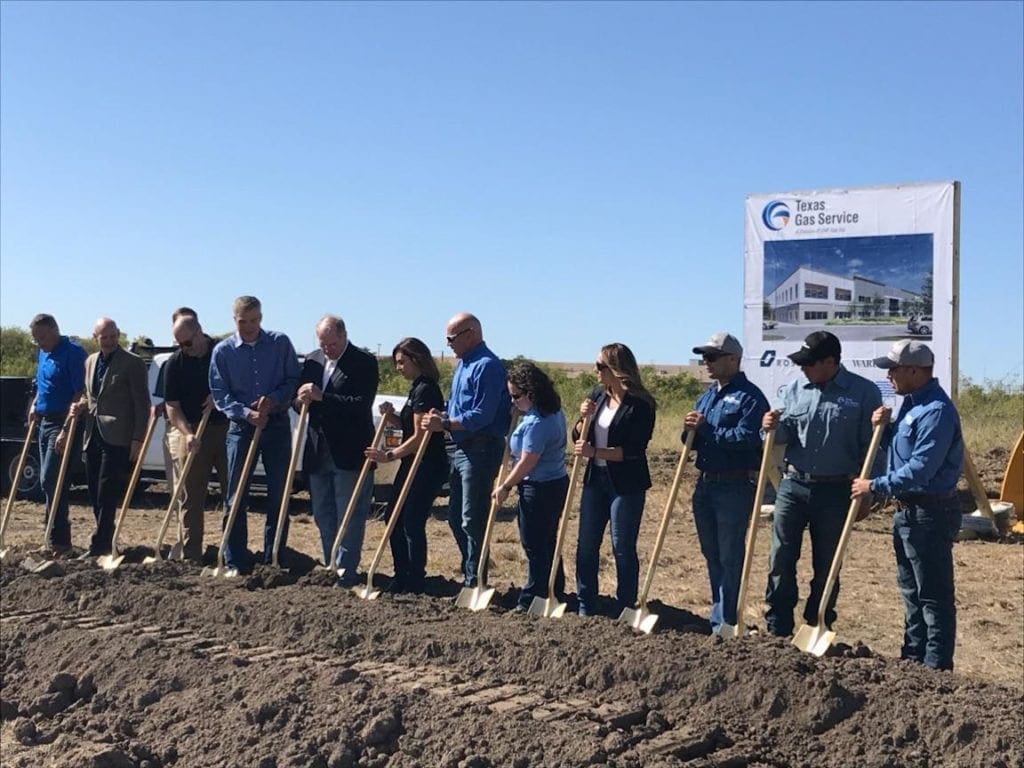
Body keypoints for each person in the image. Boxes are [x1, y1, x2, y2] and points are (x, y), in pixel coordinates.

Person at [851, 340, 964, 671]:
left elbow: (920, 471)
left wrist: (874, 486)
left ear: (915, 371)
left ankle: (935, 669)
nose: (888, 375)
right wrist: (883, 431)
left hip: (930, 512)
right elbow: (898, 454)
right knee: (911, 594)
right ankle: (912, 663)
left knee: (932, 597)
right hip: (908, 513)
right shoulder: (910, 406)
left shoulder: (936, 412)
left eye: (893, 369)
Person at [762, 330, 883, 637]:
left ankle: (818, 621)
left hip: (836, 490)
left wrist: (869, 490)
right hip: (793, 484)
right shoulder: (793, 389)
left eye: (810, 363)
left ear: (831, 362)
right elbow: (783, 434)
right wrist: (770, 429)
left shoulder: (863, 393)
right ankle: (778, 624)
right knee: (781, 557)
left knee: (828, 563)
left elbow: (871, 446)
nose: (804, 368)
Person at [684, 332, 769, 633]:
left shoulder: (750, 397)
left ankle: (728, 619)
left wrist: (707, 429)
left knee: (730, 553)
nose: (706, 362)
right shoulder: (707, 395)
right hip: (705, 483)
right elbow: (693, 439)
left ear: (733, 359)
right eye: (704, 357)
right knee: (711, 552)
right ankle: (718, 613)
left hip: (733, 485)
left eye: (712, 357)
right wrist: (690, 431)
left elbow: (747, 439)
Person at [209, 296, 300, 572]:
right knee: (235, 495)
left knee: (279, 494)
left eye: (254, 320)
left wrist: (272, 400)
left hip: (276, 426)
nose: (249, 327)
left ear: (261, 318)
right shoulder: (223, 351)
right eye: (243, 321)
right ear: (234, 319)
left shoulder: (280, 343)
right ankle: (236, 559)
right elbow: (219, 393)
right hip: (241, 429)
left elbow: (293, 379)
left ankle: (273, 558)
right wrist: (247, 413)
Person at [422, 313, 511, 588]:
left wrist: (446, 423)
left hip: (481, 448)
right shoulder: (463, 365)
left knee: (473, 517)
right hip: (460, 448)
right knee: (455, 516)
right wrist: (444, 413)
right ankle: (471, 568)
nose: (448, 344)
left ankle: (476, 579)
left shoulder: (487, 366)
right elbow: (460, 406)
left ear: (470, 334)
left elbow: (482, 415)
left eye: (451, 338)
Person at [573, 343, 656, 617]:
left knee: (621, 545)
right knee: (586, 544)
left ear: (618, 370)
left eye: (600, 367)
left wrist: (595, 452)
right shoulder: (597, 395)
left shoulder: (641, 405)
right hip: (595, 479)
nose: (595, 372)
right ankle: (586, 603)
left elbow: (633, 451)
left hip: (626, 484)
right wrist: (582, 419)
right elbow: (578, 437)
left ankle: (626, 605)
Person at [296, 315, 378, 583]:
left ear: (343, 336)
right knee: (323, 512)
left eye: (332, 344)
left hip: (350, 451)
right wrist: (301, 400)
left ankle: (346, 570)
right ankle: (330, 564)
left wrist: (323, 397)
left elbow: (360, 403)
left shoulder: (363, 362)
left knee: (350, 514)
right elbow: (299, 405)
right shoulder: (312, 360)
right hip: (318, 448)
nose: (327, 349)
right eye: (323, 344)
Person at [364, 338, 447, 593]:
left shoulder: (426, 390)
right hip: (413, 463)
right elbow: (410, 427)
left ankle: (414, 578)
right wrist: (392, 417)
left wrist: (389, 455)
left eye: (402, 362)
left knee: (410, 519)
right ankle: (402, 574)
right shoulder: (416, 389)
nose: (398, 367)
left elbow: (420, 438)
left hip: (426, 465)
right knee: (394, 517)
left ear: (416, 359)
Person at [492, 361, 569, 611]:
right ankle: (553, 589)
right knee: (548, 541)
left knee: (534, 543)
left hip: (539, 487)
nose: (513, 402)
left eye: (516, 396)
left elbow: (528, 462)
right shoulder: (552, 412)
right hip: (554, 483)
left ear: (530, 393)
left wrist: (505, 486)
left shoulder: (538, 423)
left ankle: (532, 597)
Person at [72, 317, 151, 557]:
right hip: (92, 433)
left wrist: (138, 439)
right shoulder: (90, 361)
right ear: (96, 338)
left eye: (112, 336)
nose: (108, 341)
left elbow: (142, 403)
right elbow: (90, 396)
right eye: (103, 337)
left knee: (108, 489)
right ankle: (106, 537)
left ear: (118, 335)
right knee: (95, 489)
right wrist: (81, 405)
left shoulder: (132, 363)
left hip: (118, 436)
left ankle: (100, 544)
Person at [162, 314, 229, 562]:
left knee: (231, 494)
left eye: (187, 343)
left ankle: (230, 553)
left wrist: (220, 397)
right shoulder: (175, 363)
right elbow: (171, 405)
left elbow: (239, 385)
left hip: (225, 429)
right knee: (190, 496)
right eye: (179, 344)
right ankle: (191, 556)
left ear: (199, 332)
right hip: (192, 432)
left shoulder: (223, 353)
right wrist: (187, 433)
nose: (184, 348)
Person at [27, 314, 87, 554]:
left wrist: (65, 430)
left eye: (41, 337)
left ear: (54, 330)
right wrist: (34, 405)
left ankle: (60, 540)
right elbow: (41, 384)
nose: (39, 342)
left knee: (51, 478)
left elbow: (80, 391)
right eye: (35, 339)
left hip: (66, 421)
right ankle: (52, 537)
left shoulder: (73, 352)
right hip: (44, 421)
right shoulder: (43, 353)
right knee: (49, 481)